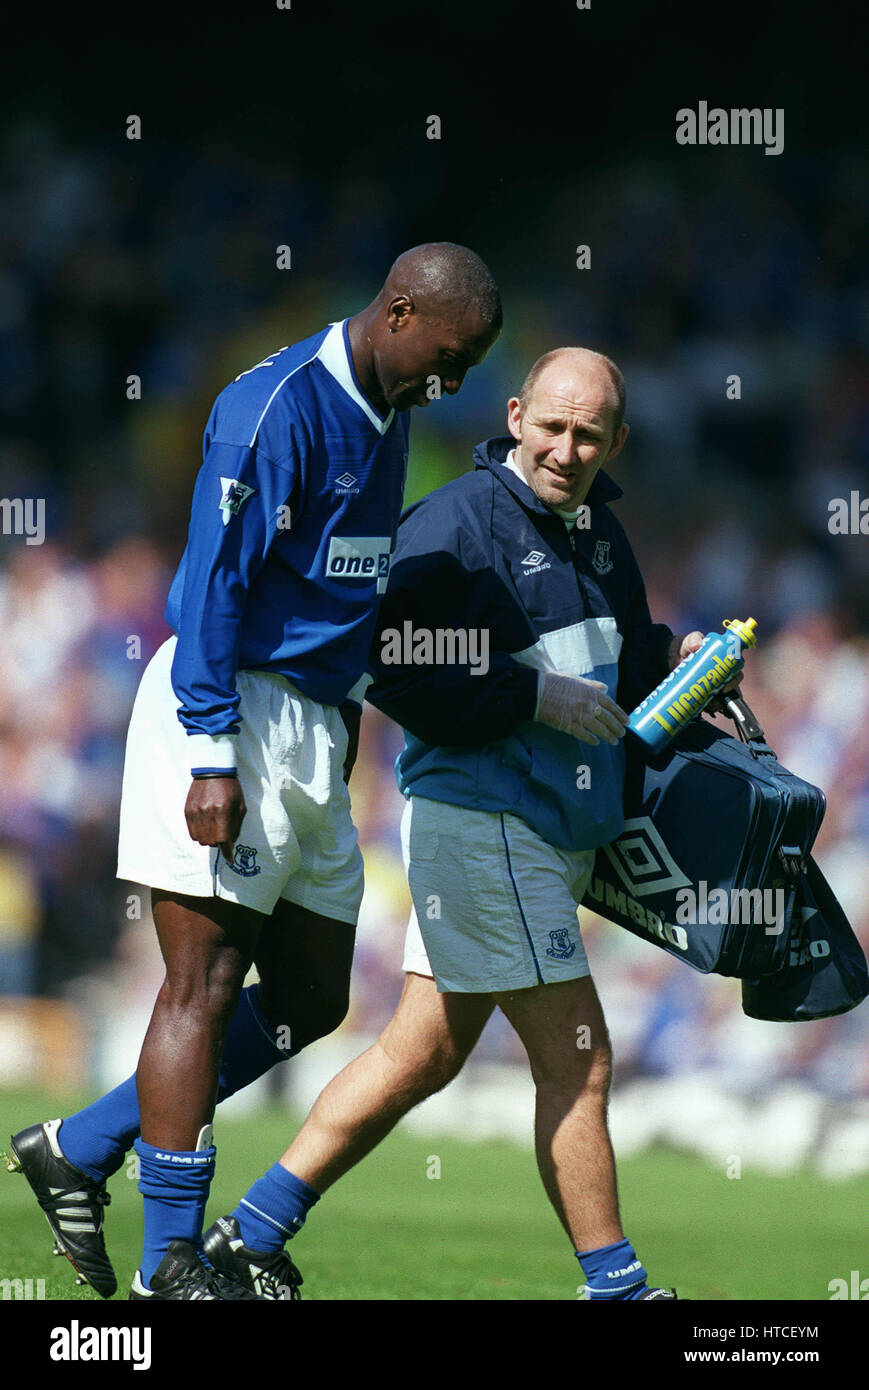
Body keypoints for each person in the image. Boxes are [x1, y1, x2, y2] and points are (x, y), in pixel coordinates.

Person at [7, 243, 501, 1301]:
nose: (449, 385)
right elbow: (211, 591)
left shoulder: (390, 408)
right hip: (230, 710)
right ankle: (168, 1263)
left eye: (466, 369)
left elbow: (339, 589)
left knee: (315, 994)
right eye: (447, 358)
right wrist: (210, 752)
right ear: (399, 308)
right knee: (203, 984)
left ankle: (82, 1142)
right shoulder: (272, 406)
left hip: (318, 727)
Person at [199, 347, 741, 1300]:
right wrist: (530, 697)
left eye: (588, 435)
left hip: (542, 827)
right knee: (579, 1056)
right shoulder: (452, 523)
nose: (566, 451)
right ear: (517, 413)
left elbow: (625, 656)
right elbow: (394, 662)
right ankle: (616, 1288)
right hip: (485, 816)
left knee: (422, 1053)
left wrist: (681, 662)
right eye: (551, 426)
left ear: (616, 441)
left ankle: (250, 1234)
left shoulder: (599, 530)